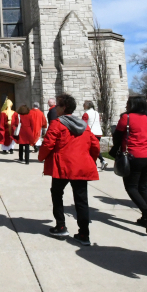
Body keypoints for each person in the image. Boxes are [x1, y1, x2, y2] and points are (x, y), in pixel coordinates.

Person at [38, 93, 99, 245]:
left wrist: (41, 157)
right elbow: (95, 145)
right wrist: (91, 158)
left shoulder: (57, 124)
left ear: (63, 107)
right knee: (81, 200)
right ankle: (84, 234)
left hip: (63, 166)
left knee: (57, 194)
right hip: (80, 166)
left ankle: (61, 225)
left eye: (57, 105)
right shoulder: (83, 126)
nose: (55, 108)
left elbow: (48, 144)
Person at [111, 96, 147, 233]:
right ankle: (146, 217)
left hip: (135, 155)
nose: (126, 105)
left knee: (131, 187)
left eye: (128, 103)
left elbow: (117, 136)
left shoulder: (126, 117)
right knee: (143, 186)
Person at [82, 100, 107, 171]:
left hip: (91, 133)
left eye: (84, 105)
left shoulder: (86, 113)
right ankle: (102, 161)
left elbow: (83, 124)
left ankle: (94, 165)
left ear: (86, 106)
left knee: (90, 150)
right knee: (95, 148)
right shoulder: (97, 113)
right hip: (98, 132)